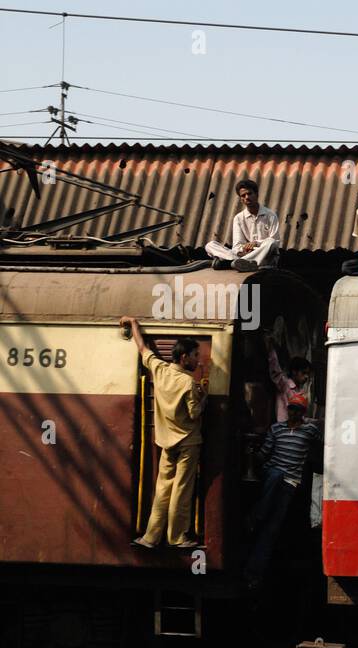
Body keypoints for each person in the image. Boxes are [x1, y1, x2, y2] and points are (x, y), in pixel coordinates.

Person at [122, 316, 206, 550]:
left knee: (162, 488)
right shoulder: (188, 383)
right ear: (184, 357)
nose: (198, 361)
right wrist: (204, 395)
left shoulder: (159, 369)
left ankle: (150, 537)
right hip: (188, 443)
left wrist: (134, 324)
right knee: (181, 488)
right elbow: (195, 414)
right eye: (195, 356)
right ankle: (177, 537)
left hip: (166, 441)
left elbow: (142, 348)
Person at [246, 393, 322, 587]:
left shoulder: (309, 430)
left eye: (297, 409)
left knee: (270, 529)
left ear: (303, 413)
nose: (293, 412)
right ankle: (259, 515)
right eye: (291, 408)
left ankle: (258, 516)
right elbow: (264, 454)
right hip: (272, 474)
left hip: (289, 482)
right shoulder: (276, 429)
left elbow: (324, 429)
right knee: (275, 475)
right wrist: (252, 456)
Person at [205, 179, 280, 272]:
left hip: (263, 255)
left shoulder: (270, 215)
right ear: (241, 199)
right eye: (243, 195)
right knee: (210, 245)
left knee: (271, 243)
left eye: (249, 193)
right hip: (244, 254)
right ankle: (242, 262)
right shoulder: (238, 218)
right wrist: (243, 250)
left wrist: (256, 243)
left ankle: (237, 262)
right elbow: (237, 246)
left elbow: (276, 242)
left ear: (257, 194)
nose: (247, 197)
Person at [264, 333, 314, 423]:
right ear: (294, 372)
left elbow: (302, 418)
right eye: (304, 373)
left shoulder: (301, 391)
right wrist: (271, 348)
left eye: (308, 374)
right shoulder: (285, 385)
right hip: (283, 428)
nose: (306, 376)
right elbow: (275, 368)